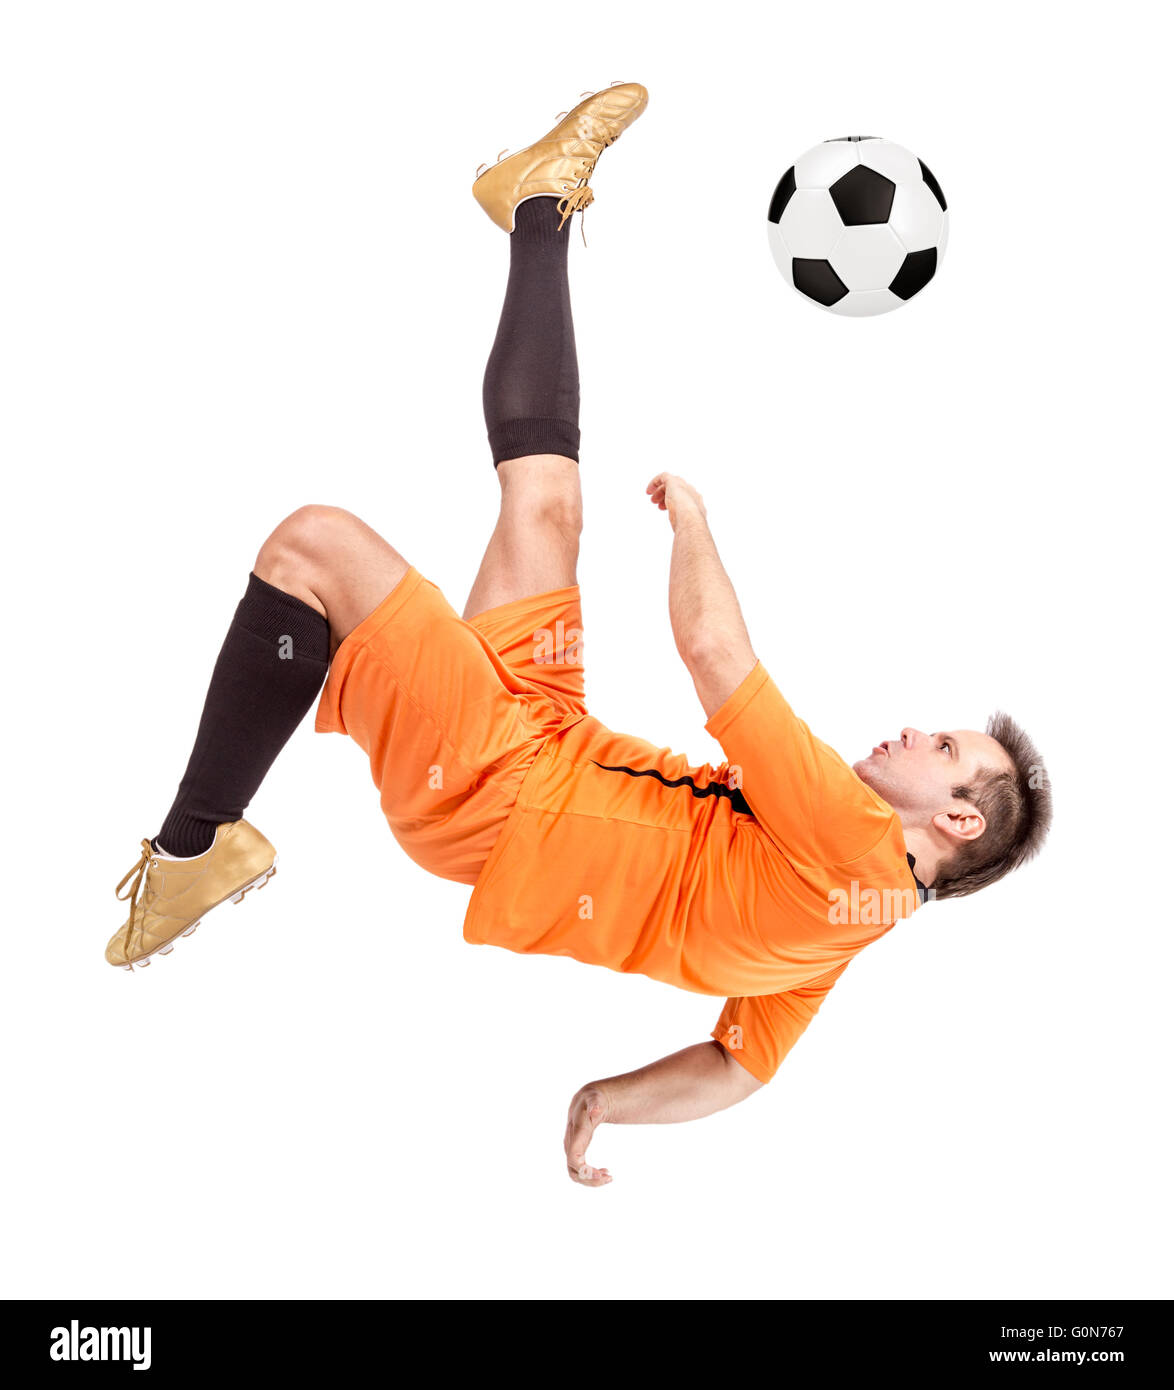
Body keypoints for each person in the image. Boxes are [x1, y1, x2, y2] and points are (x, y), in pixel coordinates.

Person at [107, 83, 1052, 1185]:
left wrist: (695, 518)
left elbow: (713, 655)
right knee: (545, 501)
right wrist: (606, 1099)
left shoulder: (853, 839)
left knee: (313, 543)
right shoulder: (854, 924)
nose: (914, 732)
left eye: (943, 748)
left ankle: (193, 847)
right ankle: (537, 205)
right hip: (551, 739)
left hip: (501, 794)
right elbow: (740, 1068)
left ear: (948, 816)